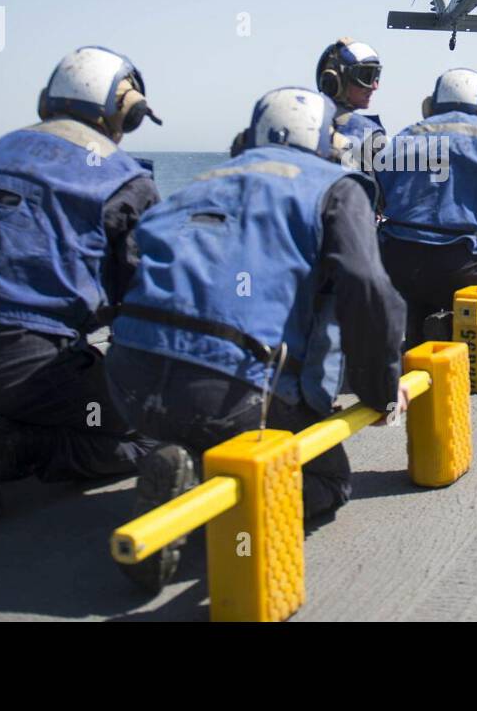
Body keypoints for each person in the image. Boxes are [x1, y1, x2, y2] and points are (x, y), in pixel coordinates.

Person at [106, 87, 408, 592]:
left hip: (129, 386)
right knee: (328, 480)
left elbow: (128, 264)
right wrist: (381, 390)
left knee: (194, 421)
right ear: (326, 143)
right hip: (233, 396)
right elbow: (368, 288)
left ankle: (187, 464)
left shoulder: (198, 184)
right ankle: (196, 500)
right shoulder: (336, 187)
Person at [0, 46, 162, 524]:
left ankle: (14, 421)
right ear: (125, 112)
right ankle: (10, 450)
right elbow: (142, 308)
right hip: (23, 370)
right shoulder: (126, 181)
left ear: (46, 101)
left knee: (59, 379)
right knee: (154, 430)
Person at [376, 67, 477, 347]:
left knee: (415, 340)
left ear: (430, 105)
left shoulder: (403, 138)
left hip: (401, 260)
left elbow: (376, 200)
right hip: (466, 261)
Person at [315, 38, 385, 172]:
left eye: (376, 76)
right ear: (335, 80)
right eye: (366, 76)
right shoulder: (369, 136)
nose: (374, 86)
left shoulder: (298, 124)